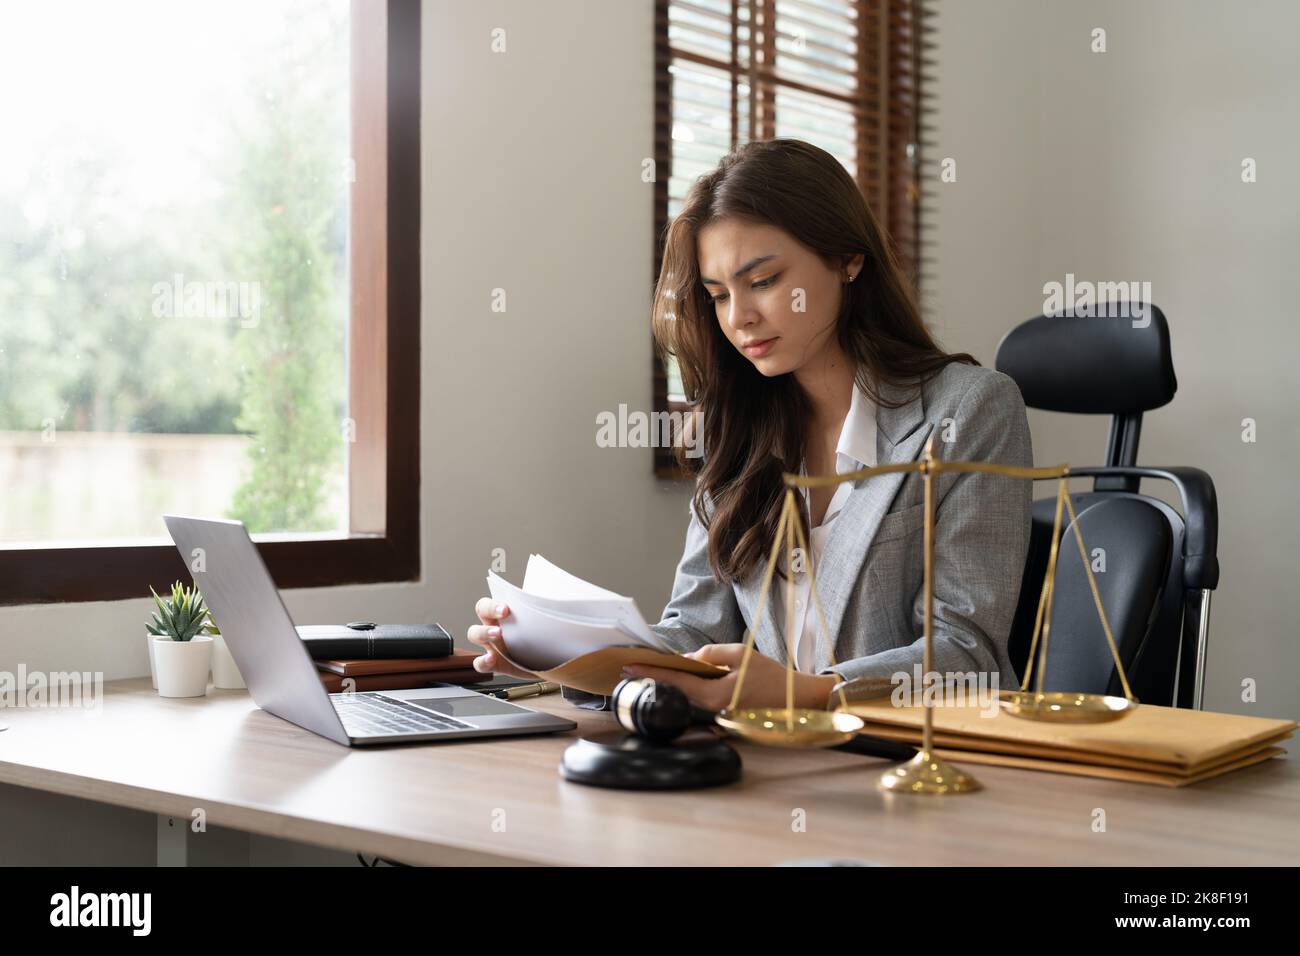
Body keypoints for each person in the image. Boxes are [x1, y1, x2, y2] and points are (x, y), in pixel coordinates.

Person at [469, 138, 1032, 713]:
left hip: (917, 766)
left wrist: (809, 694)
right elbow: (693, 632)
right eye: (718, 295)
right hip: (773, 763)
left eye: (762, 281)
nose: (738, 318)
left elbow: (969, 656)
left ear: (847, 258)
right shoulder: (735, 429)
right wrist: (564, 656)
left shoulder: (970, 410)